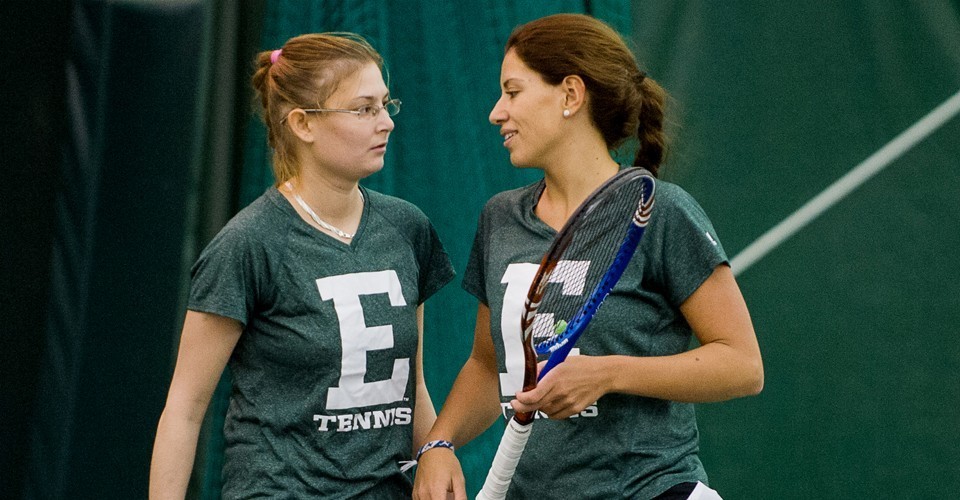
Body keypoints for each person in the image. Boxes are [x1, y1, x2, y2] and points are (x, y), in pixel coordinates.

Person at [412, 13, 763, 500]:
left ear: (571, 95)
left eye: (513, 92)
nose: (496, 112)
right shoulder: (500, 218)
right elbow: (487, 363)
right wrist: (439, 443)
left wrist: (608, 373)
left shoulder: (663, 214)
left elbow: (742, 365)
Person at [149, 33, 455, 499]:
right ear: (302, 124)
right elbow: (185, 409)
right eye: (363, 108)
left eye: (386, 104)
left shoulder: (407, 228)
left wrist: (437, 451)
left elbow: (412, 382)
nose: (386, 122)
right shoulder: (248, 244)